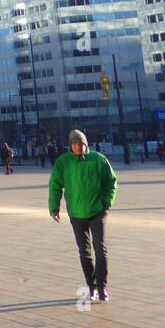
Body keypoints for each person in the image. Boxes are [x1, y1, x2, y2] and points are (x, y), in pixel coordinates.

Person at [49, 130, 118, 303]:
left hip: (97, 212)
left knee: (100, 249)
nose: (78, 147)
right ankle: (91, 286)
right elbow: (55, 186)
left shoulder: (98, 159)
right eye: (74, 144)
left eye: (81, 144)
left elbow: (111, 182)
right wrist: (54, 207)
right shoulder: (63, 162)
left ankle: (102, 287)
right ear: (70, 146)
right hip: (76, 213)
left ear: (86, 144)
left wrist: (106, 203)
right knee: (84, 251)